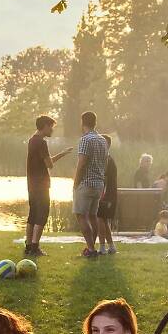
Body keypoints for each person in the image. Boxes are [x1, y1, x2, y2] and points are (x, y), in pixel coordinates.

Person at [24, 115, 69, 258]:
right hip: (41, 185)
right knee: (42, 215)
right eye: (51, 127)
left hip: (32, 184)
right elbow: (49, 164)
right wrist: (60, 156)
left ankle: (28, 246)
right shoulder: (41, 142)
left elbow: (46, 162)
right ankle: (35, 247)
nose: (52, 130)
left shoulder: (32, 140)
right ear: (44, 126)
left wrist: (62, 154)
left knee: (33, 215)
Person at [72, 110, 109, 258]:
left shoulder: (85, 139)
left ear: (82, 123)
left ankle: (91, 249)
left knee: (81, 215)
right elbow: (105, 162)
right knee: (93, 216)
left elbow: (81, 163)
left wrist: (75, 183)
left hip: (86, 183)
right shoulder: (103, 140)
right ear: (95, 122)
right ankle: (91, 248)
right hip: (99, 183)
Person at [96, 134, 118, 255]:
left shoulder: (106, 160)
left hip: (105, 195)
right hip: (108, 194)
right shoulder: (108, 159)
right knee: (103, 220)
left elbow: (104, 178)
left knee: (100, 219)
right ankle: (111, 246)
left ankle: (102, 247)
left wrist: (101, 195)